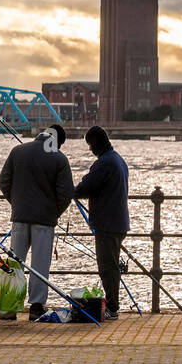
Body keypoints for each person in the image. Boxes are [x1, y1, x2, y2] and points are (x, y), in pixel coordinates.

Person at [0, 123, 74, 320]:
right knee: (40, 264)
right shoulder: (59, 158)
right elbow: (66, 194)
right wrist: (54, 212)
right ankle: (36, 306)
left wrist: (16, 203)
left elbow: (4, 181)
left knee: (14, 263)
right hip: (45, 220)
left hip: (20, 217)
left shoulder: (18, 151)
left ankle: (8, 308)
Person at [73, 126, 129, 321]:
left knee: (108, 268)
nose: (90, 149)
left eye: (90, 145)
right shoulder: (118, 159)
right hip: (118, 221)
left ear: (95, 143)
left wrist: (72, 191)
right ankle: (112, 303)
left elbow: (86, 186)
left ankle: (113, 307)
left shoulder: (104, 163)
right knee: (111, 265)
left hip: (108, 224)